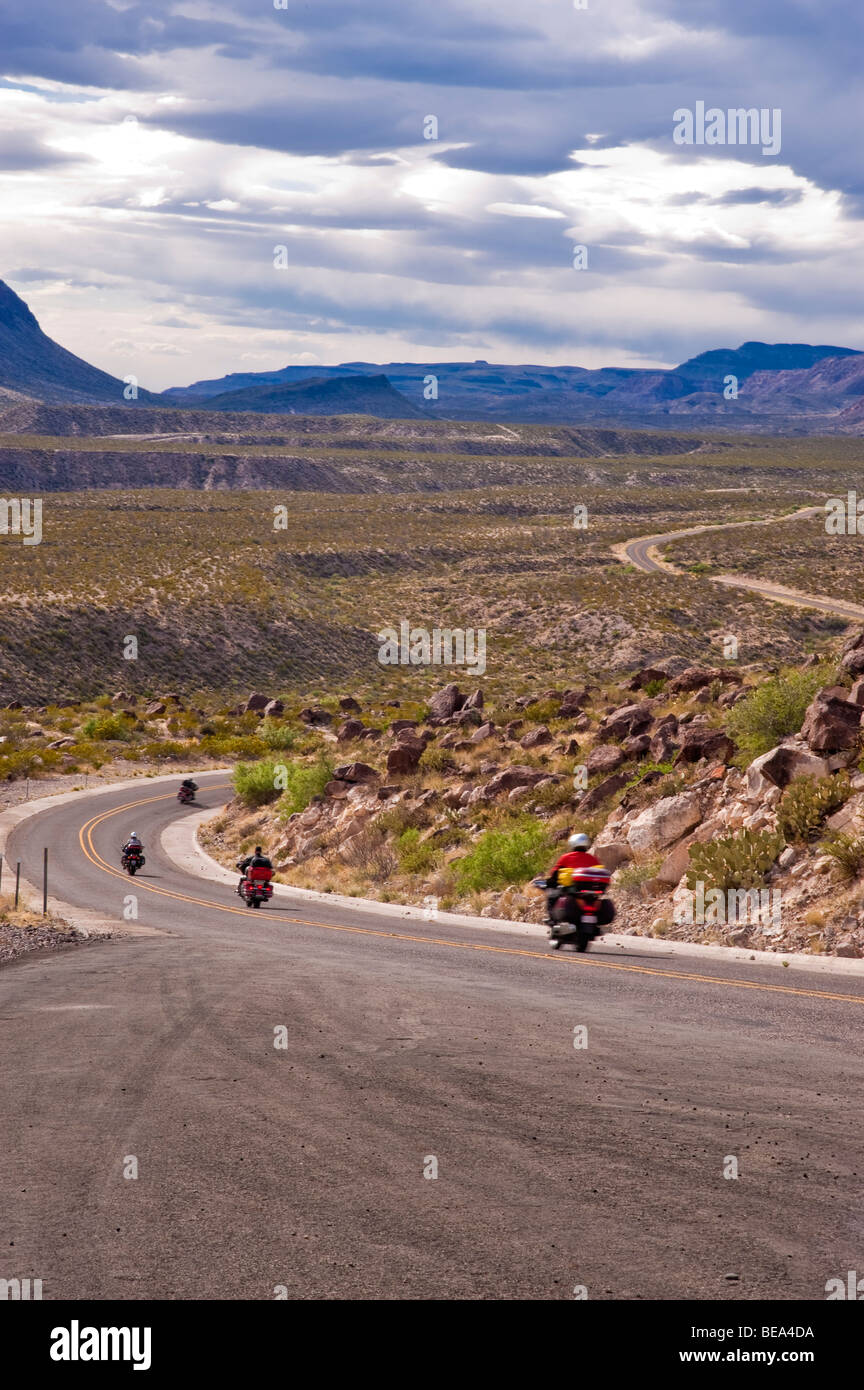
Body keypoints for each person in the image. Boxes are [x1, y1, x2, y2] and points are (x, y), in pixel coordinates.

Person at [544, 832, 602, 924]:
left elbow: (554, 873)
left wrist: (551, 881)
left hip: (572, 889)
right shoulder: (592, 858)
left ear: (572, 844)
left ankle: (552, 918)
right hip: (590, 891)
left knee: (552, 895)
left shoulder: (566, 857)